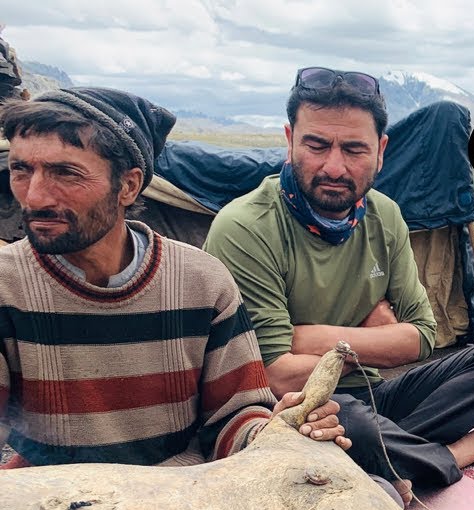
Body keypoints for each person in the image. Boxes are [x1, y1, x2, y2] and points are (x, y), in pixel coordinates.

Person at [204, 67, 474, 507]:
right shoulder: (246, 227)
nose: (334, 167)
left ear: (380, 151)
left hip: (371, 395)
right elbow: (277, 375)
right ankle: (446, 456)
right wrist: (379, 338)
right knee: (347, 421)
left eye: (354, 149)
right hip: (291, 411)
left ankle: (390, 455)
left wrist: (315, 338)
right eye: (317, 145)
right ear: (289, 140)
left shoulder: (384, 215)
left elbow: (422, 337)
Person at [0, 87, 348, 470]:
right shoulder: (6, 286)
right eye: (21, 170)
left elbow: (235, 417)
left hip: (180, 500)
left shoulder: (201, 283)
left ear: (128, 186)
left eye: (65, 173)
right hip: (54, 507)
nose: (34, 197)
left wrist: (275, 432)